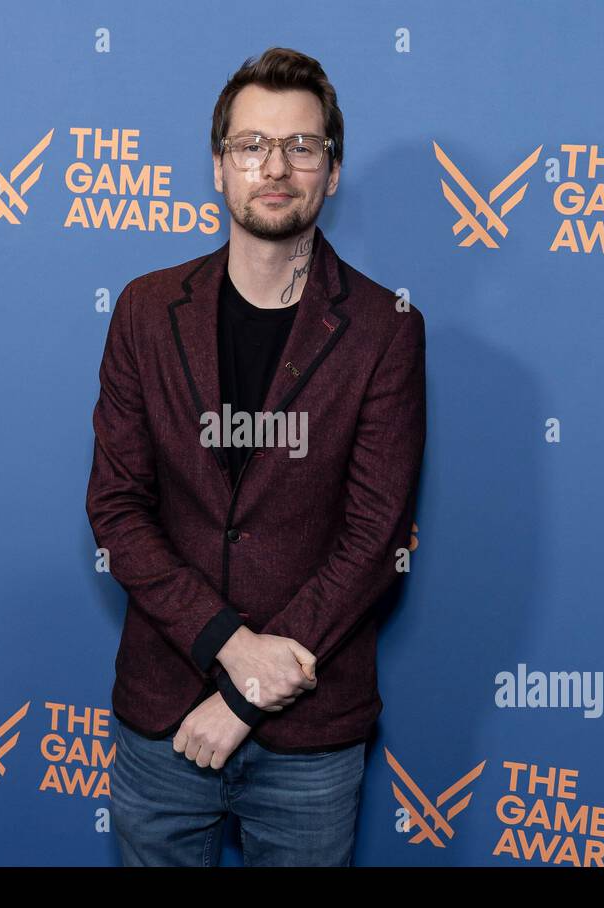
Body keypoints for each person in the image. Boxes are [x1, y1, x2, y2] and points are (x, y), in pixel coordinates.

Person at [85, 46, 426, 866]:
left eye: (302, 146)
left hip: (311, 739)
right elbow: (117, 508)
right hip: (163, 714)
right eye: (252, 145)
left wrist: (243, 701)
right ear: (219, 166)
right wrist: (230, 650)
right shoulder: (143, 310)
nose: (276, 166)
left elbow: (376, 535)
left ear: (332, 172)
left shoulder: (386, 330)